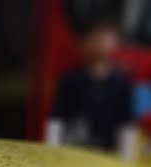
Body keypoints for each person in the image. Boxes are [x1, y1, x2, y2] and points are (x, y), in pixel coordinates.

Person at [46, 18, 137, 159]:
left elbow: (126, 125)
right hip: (72, 151)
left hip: (105, 156)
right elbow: (57, 119)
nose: (101, 43)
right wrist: (51, 153)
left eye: (106, 37)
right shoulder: (70, 79)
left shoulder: (121, 83)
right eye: (95, 37)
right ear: (83, 42)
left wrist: (126, 159)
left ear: (117, 41)